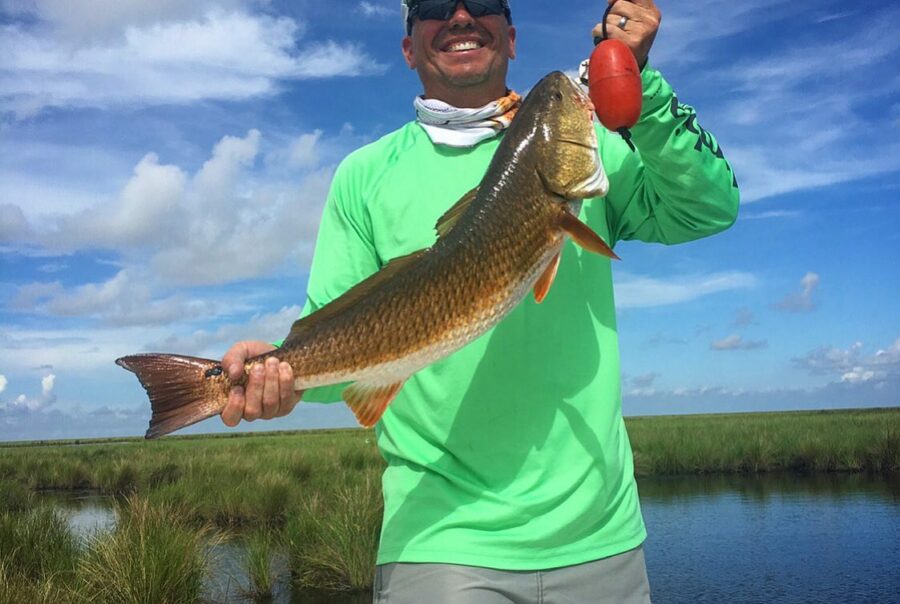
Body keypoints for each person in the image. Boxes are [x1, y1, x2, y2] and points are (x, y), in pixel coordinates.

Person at [220, 1, 739, 602]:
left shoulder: (593, 151)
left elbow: (709, 207)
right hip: (438, 543)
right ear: (408, 48)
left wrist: (640, 82)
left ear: (511, 39)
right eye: (435, 5)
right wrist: (280, 373)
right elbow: (343, 356)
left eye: (484, 2)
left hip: (602, 536)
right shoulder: (363, 175)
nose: (461, 15)